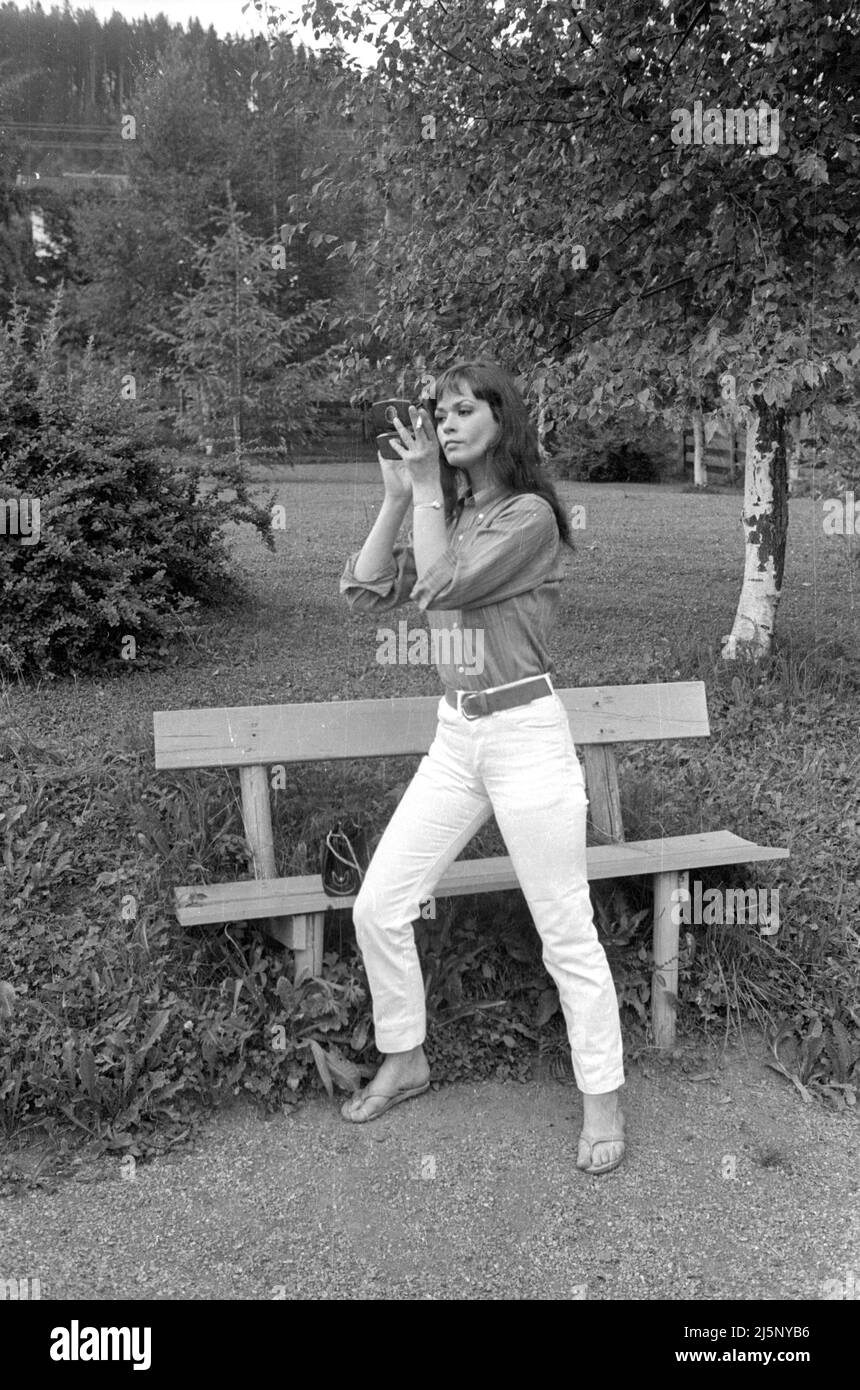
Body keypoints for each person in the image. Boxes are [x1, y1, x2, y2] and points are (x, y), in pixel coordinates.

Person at [338, 359, 626, 1174]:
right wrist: (400, 496)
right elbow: (365, 588)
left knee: (565, 928)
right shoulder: (452, 513)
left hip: (527, 737)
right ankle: (407, 1058)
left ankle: (602, 1097)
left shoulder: (529, 516)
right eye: (440, 411)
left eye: (465, 409)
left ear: (504, 420)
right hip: (457, 739)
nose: (447, 422)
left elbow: (441, 587)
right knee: (379, 906)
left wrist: (427, 492)